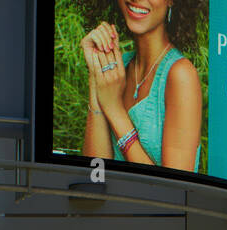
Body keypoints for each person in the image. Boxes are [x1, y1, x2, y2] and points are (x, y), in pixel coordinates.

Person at [79, 0, 204, 171]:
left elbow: (172, 192)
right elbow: (94, 178)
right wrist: (96, 78)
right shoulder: (116, 68)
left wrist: (115, 109)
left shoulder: (180, 76)